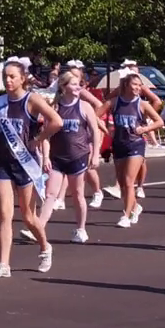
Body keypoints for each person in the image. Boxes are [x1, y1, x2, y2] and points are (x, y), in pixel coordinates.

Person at [0, 58, 64, 278]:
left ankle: (45, 247)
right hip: (4, 164)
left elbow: (56, 121)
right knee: (4, 215)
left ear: (22, 79)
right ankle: (3, 264)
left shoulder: (32, 100)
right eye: (5, 77)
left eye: (12, 77)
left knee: (28, 216)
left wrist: (39, 139)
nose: (8, 80)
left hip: (26, 164)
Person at [41, 68, 105, 244]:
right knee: (50, 194)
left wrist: (95, 153)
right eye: (74, 84)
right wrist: (46, 157)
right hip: (57, 157)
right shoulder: (55, 107)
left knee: (77, 194)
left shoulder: (84, 107)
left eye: (79, 84)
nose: (78, 87)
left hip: (78, 156)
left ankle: (81, 229)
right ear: (64, 86)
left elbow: (94, 131)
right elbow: (46, 135)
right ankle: (39, 228)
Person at [102, 69, 164, 228]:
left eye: (139, 85)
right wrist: (105, 130)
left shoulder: (142, 104)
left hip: (135, 145)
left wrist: (144, 129)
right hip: (119, 144)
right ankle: (136, 207)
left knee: (129, 182)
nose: (137, 88)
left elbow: (159, 122)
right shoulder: (115, 102)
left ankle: (125, 215)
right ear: (126, 85)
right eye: (134, 84)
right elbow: (95, 115)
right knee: (123, 184)